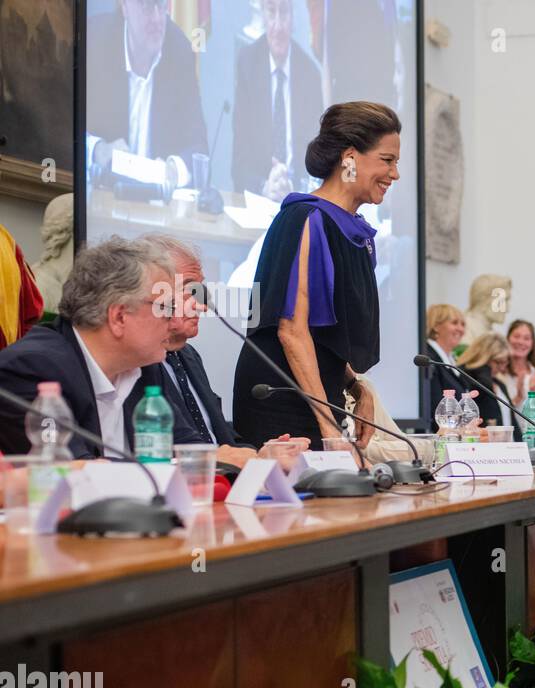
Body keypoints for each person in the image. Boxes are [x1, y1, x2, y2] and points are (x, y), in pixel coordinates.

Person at [232, 102, 400, 449]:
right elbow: (292, 331)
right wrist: (328, 428)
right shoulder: (306, 218)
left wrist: (356, 387)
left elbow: (325, 336)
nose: (395, 174)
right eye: (387, 160)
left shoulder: (352, 229)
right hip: (282, 400)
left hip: (321, 397)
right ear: (350, 158)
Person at [0, 237, 185, 458]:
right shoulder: (30, 369)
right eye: (166, 308)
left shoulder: (144, 367)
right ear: (119, 317)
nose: (174, 322)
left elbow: (186, 447)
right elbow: (70, 472)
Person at [140, 234, 307, 468]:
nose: (202, 305)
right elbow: (163, 450)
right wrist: (240, 460)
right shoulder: (139, 362)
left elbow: (222, 437)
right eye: (190, 289)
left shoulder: (188, 356)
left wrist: (261, 454)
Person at [86, 0, 208, 188]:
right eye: (146, 6)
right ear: (124, 7)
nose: (157, 18)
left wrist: (174, 169)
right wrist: (97, 150)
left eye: (161, 5)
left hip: (157, 206)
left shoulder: (180, 52)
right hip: (104, 196)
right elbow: (63, 126)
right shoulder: (94, 41)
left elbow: (198, 146)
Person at [232, 0, 325, 200]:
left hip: (298, 199)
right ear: (263, 16)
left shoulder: (310, 75)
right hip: (258, 199)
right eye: (271, 12)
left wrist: (293, 188)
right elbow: (239, 165)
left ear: (293, 19)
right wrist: (265, 187)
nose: (278, 25)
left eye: (284, 13)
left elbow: (319, 161)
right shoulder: (248, 64)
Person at [456, 334, 522, 441]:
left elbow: (511, 421)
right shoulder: (469, 380)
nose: (501, 368)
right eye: (498, 362)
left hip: (508, 449)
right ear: (484, 357)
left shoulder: (500, 384)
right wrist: (483, 369)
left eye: (505, 362)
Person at [423, 303, 478, 413]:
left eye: (463, 324)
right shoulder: (427, 359)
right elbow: (434, 406)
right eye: (454, 323)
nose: (460, 329)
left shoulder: (451, 361)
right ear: (436, 326)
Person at [501, 319, 535, 418]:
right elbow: (499, 414)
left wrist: (533, 391)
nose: (521, 342)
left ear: (532, 344)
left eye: (526, 338)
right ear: (507, 339)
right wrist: (519, 397)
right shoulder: (498, 375)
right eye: (516, 336)